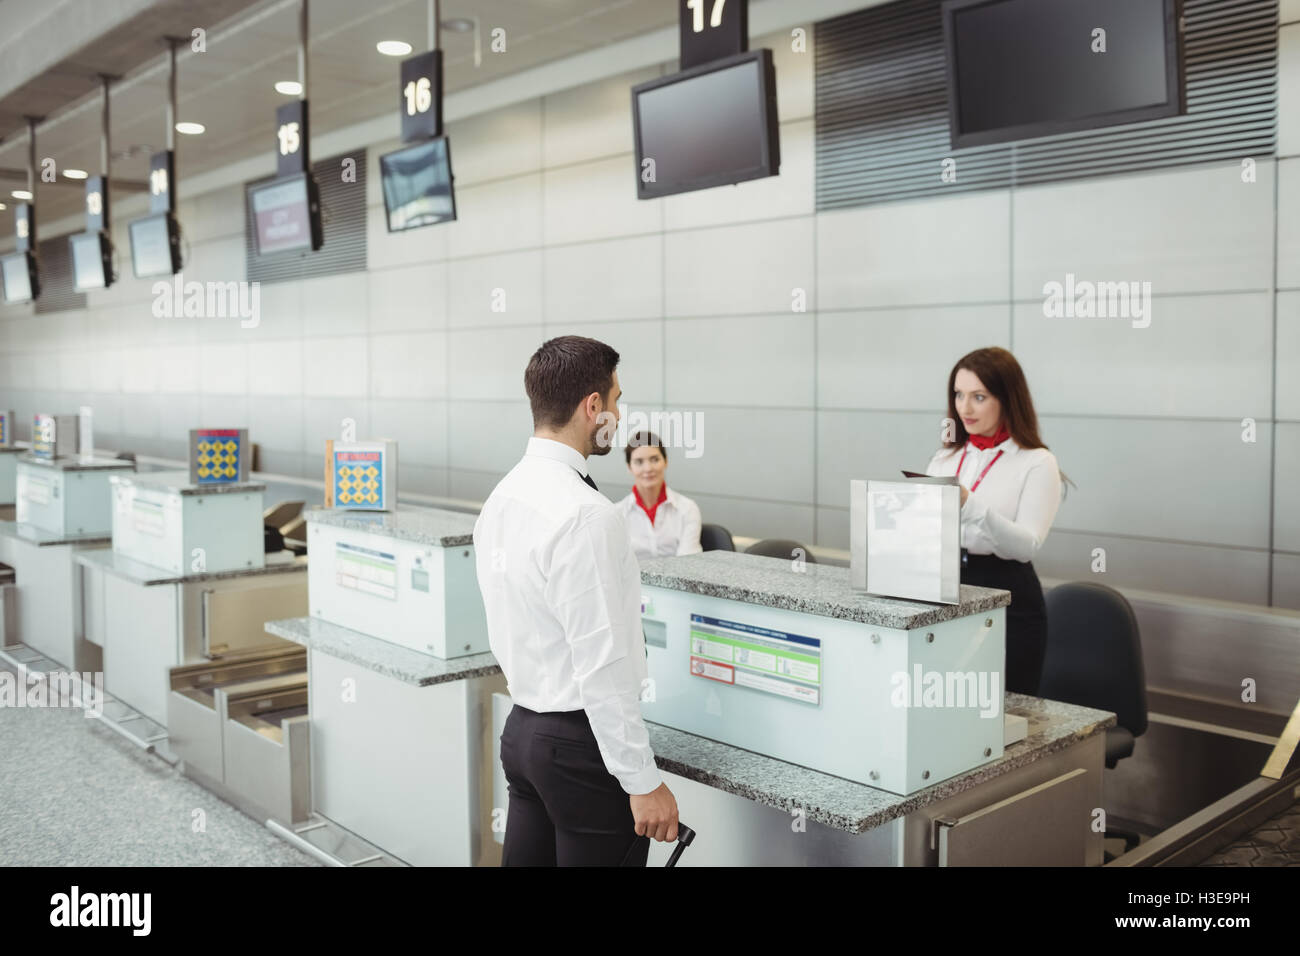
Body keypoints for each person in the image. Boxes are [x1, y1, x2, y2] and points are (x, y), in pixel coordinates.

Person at [473, 335, 679, 866]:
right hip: (581, 749)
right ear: (593, 407)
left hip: (522, 734)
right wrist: (642, 780)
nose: (616, 412)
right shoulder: (586, 514)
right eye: (614, 400)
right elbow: (602, 662)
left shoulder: (503, 497)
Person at [925, 347, 1064, 696]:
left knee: (1004, 715)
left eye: (978, 397)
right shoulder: (946, 457)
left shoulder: (1036, 462)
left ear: (1006, 399)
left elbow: (1026, 545)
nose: (964, 408)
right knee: (948, 706)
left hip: (1008, 595)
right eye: (958, 395)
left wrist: (970, 505)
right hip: (947, 589)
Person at [618, 430, 703, 563]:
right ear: (629, 467)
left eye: (655, 459)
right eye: (639, 462)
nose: (648, 468)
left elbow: (688, 566)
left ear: (665, 461)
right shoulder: (617, 514)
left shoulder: (687, 509)